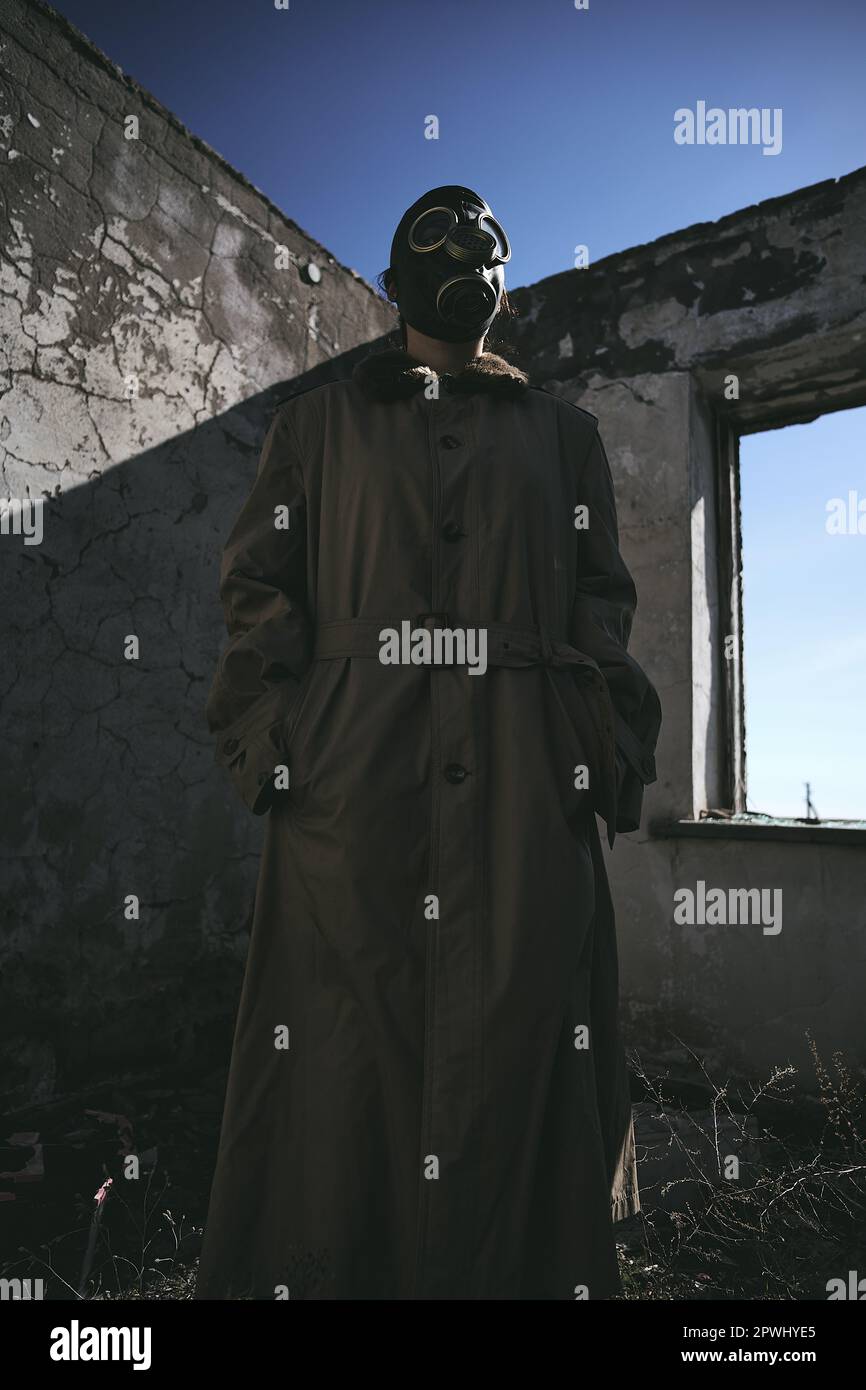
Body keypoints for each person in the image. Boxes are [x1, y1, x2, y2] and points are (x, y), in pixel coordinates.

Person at [195, 184, 662, 1300]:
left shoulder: (566, 438)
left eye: (491, 242)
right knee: (343, 1055)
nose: (471, 252)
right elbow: (256, 587)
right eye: (442, 236)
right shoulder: (315, 427)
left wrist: (598, 755)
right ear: (395, 271)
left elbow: (603, 610)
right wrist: (276, 743)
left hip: (524, 787)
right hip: (350, 784)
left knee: (521, 1039)